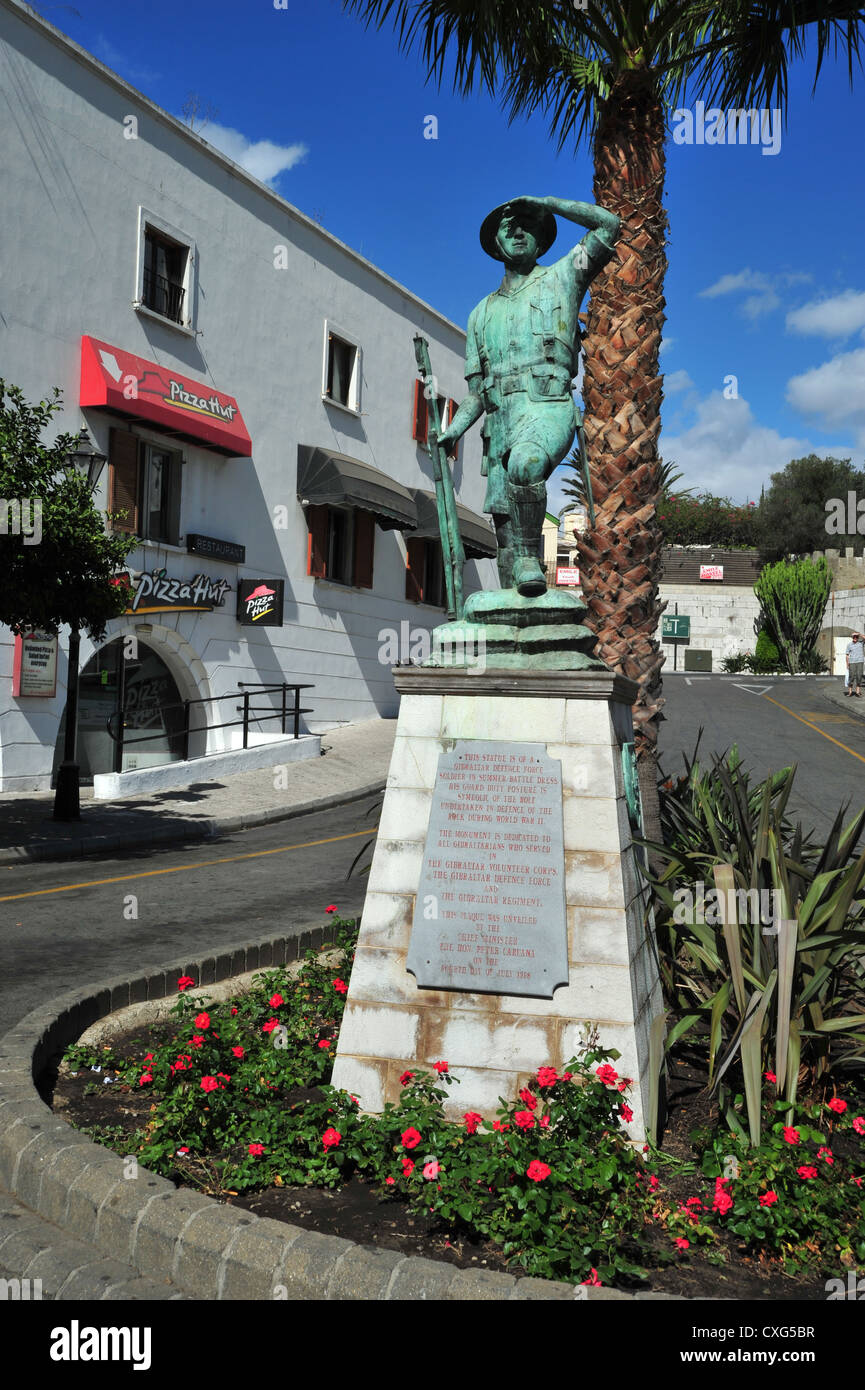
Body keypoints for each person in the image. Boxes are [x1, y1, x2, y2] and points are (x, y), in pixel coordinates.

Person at [436, 194, 620, 596]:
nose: (518, 232)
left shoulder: (563, 277)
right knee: (504, 533)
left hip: (547, 406)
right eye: (509, 227)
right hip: (500, 422)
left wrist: (549, 203)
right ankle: (512, 615)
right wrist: (453, 431)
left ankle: (528, 560)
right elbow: (477, 394)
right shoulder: (480, 314)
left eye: (528, 225)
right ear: (496, 243)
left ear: (541, 238)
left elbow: (608, 225)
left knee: (528, 463)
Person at [845, 631, 864, 696]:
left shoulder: (861, 643)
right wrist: (847, 664)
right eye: (854, 637)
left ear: (858, 637)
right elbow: (847, 655)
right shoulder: (849, 645)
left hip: (860, 662)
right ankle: (850, 692)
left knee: (859, 676)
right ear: (852, 637)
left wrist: (859, 634)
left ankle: (857, 691)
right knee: (852, 677)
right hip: (852, 662)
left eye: (856, 637)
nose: (855, 638)